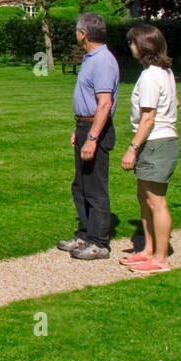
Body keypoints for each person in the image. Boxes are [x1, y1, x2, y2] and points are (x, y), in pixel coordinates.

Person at [57, 13, 119, 260]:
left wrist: (92, 138)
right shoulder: (91, 58)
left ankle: (99, 242)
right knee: (80, 185)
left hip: (96, 129)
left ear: (83, 34)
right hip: (86, 125)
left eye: (77, 31)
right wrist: (79, 129)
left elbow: (104, 104)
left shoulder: (103, 61)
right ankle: (85, 233)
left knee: (95, 187)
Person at [119, 24, 179, 274]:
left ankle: (161, 259)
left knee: (156, 201)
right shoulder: (165, 72)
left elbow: (148, 118)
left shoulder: (151, 76)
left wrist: (132, 148)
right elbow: (176, 103)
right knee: (144, 198)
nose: (130, 47)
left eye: (132, 42)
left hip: (156, 142)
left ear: (143, 46)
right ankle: (148, 250)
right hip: (156, 141)